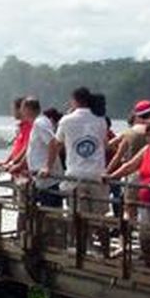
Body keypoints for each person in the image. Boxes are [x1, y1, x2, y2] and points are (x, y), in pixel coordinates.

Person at [106, 121, 150, 268]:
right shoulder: (146, 150)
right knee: (145, 233)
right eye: (149, 136)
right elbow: (130, 166)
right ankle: (148, 263)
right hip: (145, 199)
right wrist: (112, 176)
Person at [42, 87, 109, 216]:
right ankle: (101, 236)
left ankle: (81, 236)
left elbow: (56, 144)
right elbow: (104, 143)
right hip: (97, 173)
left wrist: (47, 167)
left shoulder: (67, 120)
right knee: (99, 217)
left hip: (75, 174)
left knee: (77, 216)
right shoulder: (101, 120)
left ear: (74, 100)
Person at [21, 98, 63, 207]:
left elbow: (52, 143)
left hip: (48, 181)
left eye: (22, 108)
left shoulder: (40, 123)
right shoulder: (38, 123)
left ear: (28, 109)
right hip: (41, 180)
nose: (21, 112)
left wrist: (47, 167)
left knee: (51, 214)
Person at [0, 96, 32, 170]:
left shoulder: (29, 126)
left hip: (24, 169)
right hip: (15, 168)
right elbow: (16, 149)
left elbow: (26, 148)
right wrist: (7, 161)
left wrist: (12, 163)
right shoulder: (21, 127)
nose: (12, 112)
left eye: (13, 109)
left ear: (21, 109)